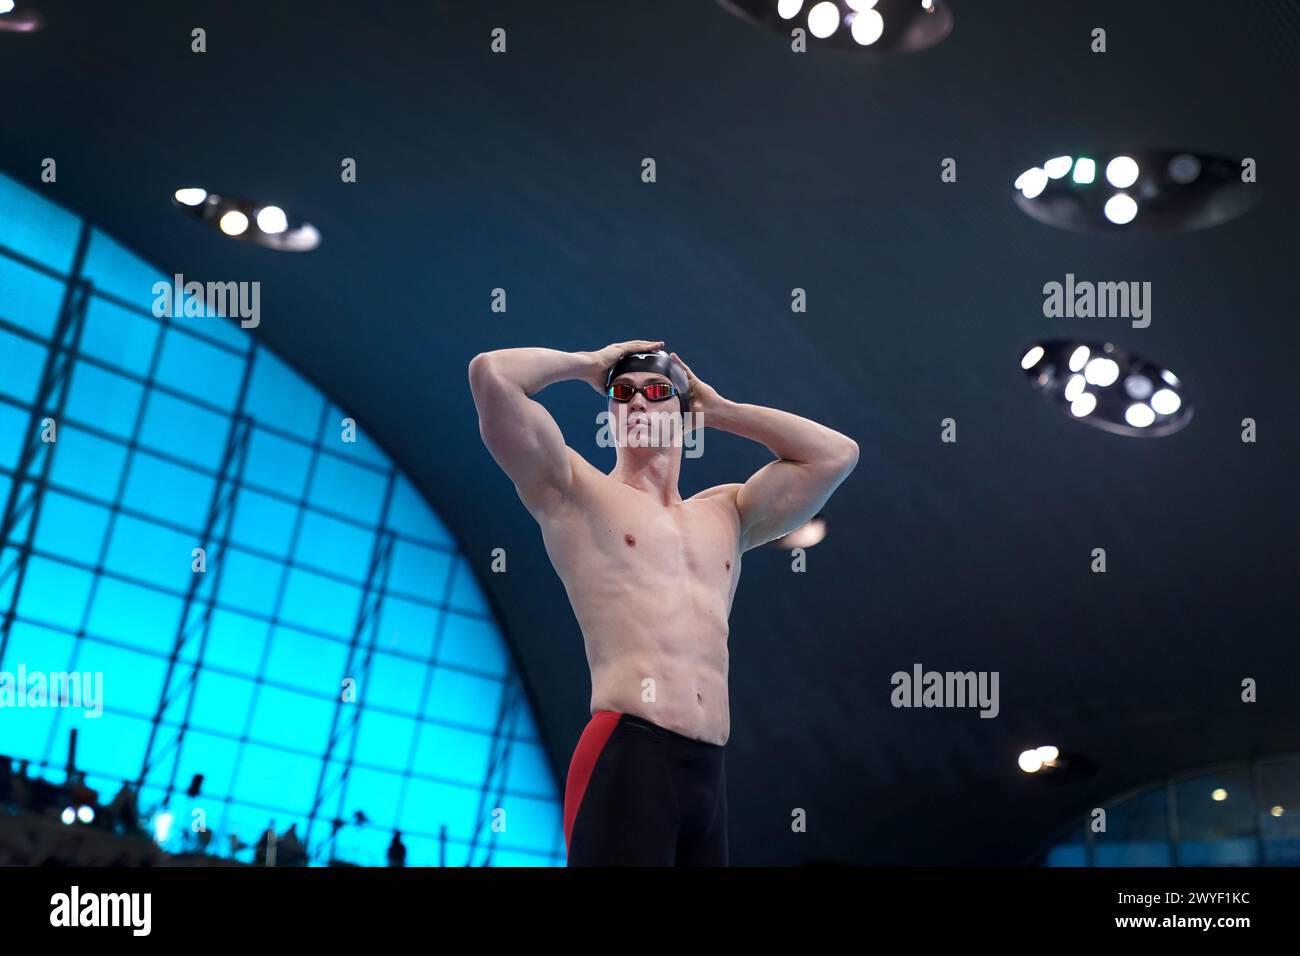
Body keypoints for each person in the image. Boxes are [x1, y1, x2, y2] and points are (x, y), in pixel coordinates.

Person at [469, 341, 858, 865]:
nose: (636, 403)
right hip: (627, 752)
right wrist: (590, 364)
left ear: (680, 410)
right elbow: (491, 374)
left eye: (654, 392)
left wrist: (719, 410)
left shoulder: (728, 513)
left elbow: (836, 454)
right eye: (622, 393)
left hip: (708, 768)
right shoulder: (576, 494)